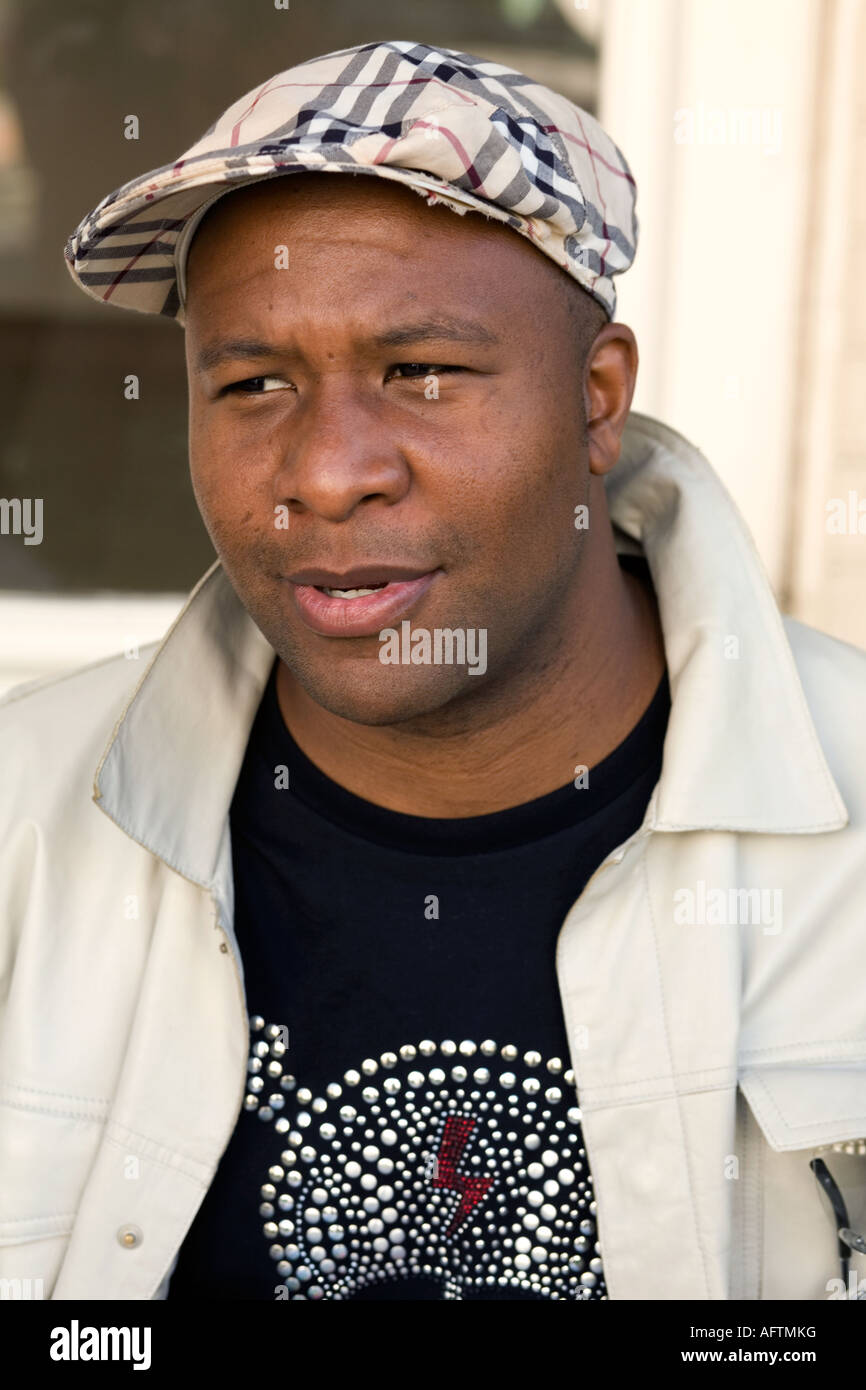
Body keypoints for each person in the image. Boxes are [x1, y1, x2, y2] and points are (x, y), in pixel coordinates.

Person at [1, 39, 865, 1303]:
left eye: (422, 373)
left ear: (594, 401)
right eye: (251, 383)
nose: (326, 471)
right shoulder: (23, 819)